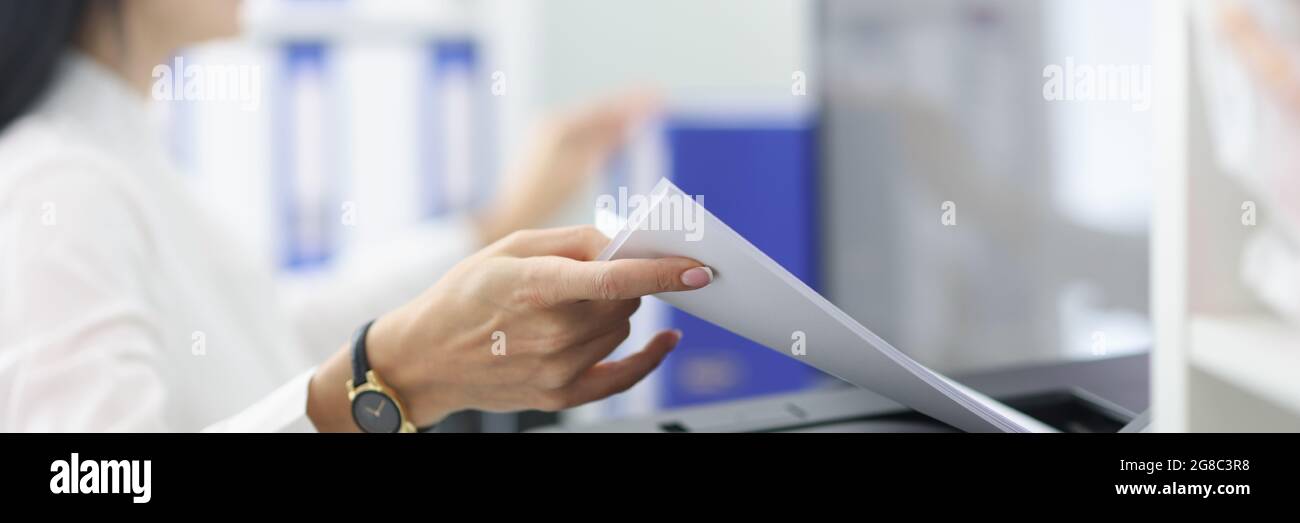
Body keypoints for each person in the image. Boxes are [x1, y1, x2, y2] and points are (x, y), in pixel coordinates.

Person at [0, 0, 713, 432]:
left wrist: (501, 222)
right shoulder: (60, 183)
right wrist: (386, 383)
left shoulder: (125, 161)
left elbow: (268, 331)